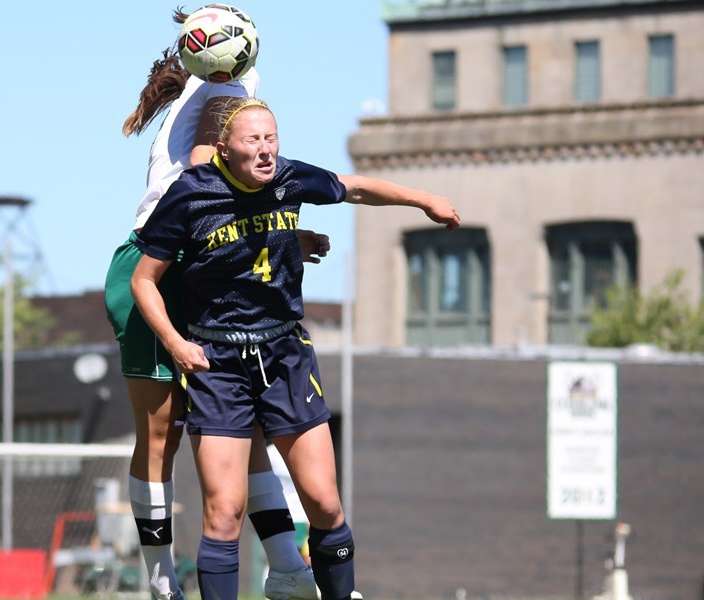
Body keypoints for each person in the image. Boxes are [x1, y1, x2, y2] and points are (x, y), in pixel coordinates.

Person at [130, 98, 460, 600]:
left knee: (325, 504)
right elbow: (144, 281)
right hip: (218, 365)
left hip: (285, 355)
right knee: (223, 512)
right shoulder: (191, 195)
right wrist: (176, 344)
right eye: (251, 142)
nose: (265, 152)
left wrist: (423, 199)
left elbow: (356, 188)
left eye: (271, 139)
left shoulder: (289, 177)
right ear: (223, 149)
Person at [103, 10, 329, 600]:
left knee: (236, 427)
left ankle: (286, 567)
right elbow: (208, 175)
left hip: (208, 258)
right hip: (159, 268)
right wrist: (277, 231)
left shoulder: (228, 80)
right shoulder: (226, 88)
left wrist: (281, 237)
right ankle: (159, 584)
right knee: (160, 438)